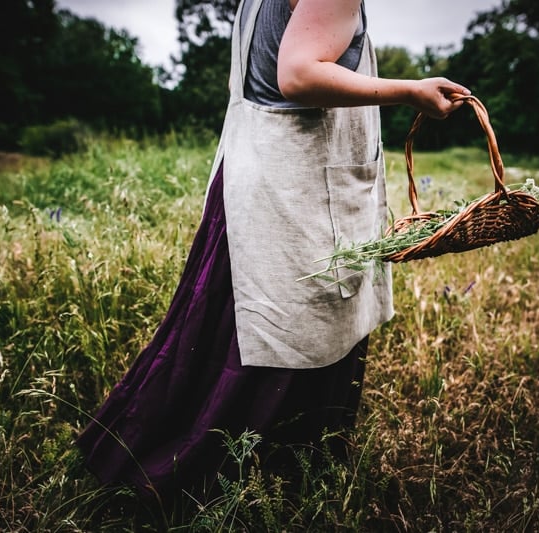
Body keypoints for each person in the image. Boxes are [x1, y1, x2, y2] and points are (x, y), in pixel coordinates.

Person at [76, 0, 470, 506]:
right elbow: (299, 75)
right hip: (292, 190)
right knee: (285, 331)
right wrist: (410, 92)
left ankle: (191, 465)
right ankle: (216, 481)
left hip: (259, 181)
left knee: (244, 329)